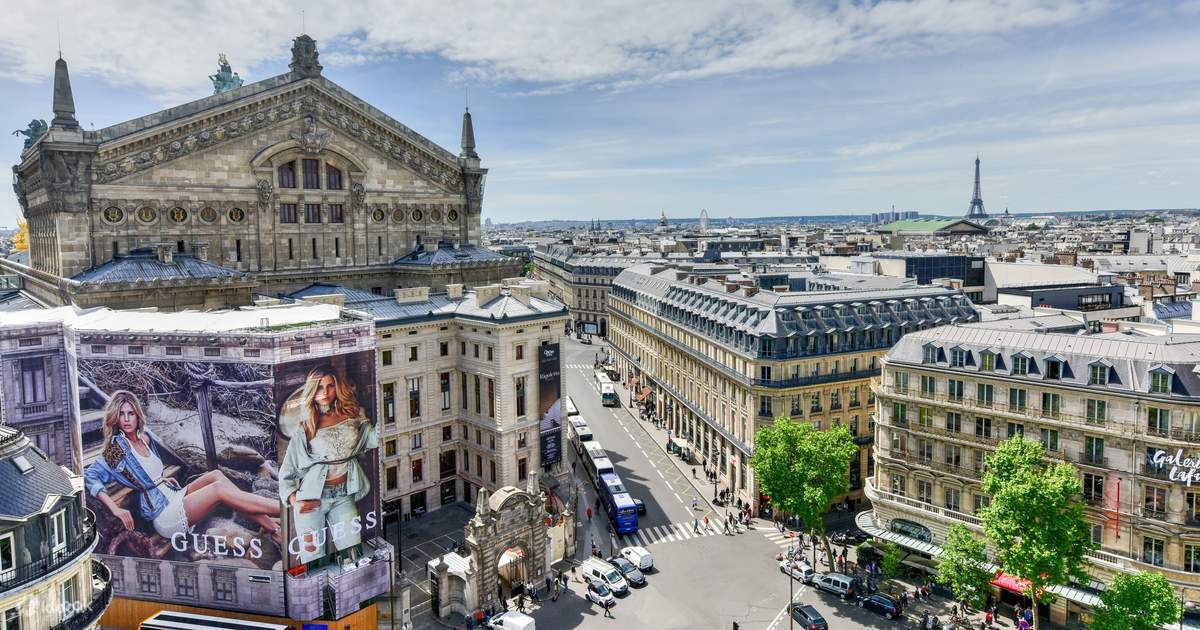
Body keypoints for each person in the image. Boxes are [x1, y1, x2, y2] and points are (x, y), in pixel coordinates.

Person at [85, 390, 282, 544]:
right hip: (164, 515)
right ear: (115, 418)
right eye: (121, 414)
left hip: (171, 494)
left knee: (215, 475)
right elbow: (90, 476)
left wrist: (160, 479)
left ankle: (274, 528)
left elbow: (147, 471)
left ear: (138, 416)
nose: (127, 419)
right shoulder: (117, 449)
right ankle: (286, 509)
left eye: (131, 413)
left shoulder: (144, 438)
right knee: (218, 490)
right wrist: (116, 509)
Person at [279, 364, 377, 563]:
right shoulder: (306, 425)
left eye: (330, 386)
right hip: (311, 499)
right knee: (313, 558)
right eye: (319, 387)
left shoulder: (354, 414)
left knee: (352, 553)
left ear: (337, 387)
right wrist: (295, 501)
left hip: (344, 496)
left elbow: (373, 439)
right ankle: (321, 594)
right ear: (311, 390)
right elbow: (287, 470)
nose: (325, 392)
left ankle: (352, 594)